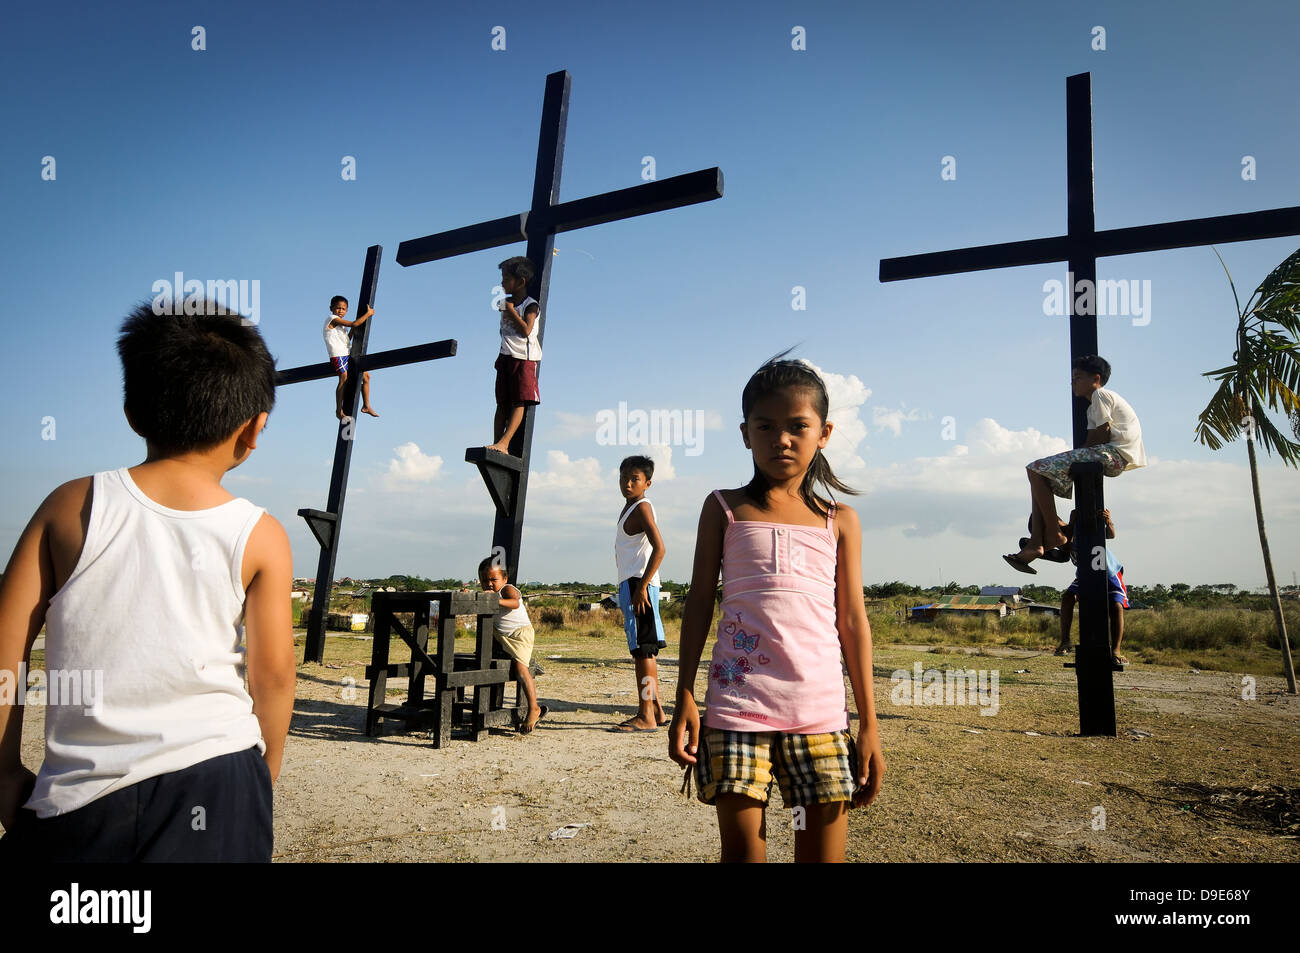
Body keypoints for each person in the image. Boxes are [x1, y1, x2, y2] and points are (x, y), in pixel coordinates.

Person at [0, 302, 296, 862]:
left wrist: (2, 769)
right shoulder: (261, 534)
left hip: (79, 801)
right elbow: (275, 676)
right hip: (221, 778)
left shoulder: (69, 506)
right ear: (254, 429)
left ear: (132, 412)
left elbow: (4, 650)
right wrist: (263, 775)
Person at [669, 355, 885, 863]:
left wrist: (869, 721)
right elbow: (700, 602)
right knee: (743, 854)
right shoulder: (723, 508)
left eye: (797, 426)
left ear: (823, 433)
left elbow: (853, 621)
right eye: (766, 426)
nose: (781, 439)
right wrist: (684, 696)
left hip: (821, 714)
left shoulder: (840, 520)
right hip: (735, 712)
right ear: (746, 433)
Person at [1005, 355, 1145, 574]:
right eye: (1072, 378)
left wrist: (1072, 457)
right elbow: (1094, 439)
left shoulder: (1101, 395)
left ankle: (1054, 534)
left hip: (1112, 454)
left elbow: (1100, 434)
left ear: (1096, 378)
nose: (1073, 383)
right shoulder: (1093, 406)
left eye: (1078, 378)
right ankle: (1036, 544)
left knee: (1035, 469)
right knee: (1041, 479)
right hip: (1107, 454)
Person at [611, 455, 669, 732]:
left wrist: (643, 586)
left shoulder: (642, 507)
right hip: (633, 583)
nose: (628, 483)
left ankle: (645, 714)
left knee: (643, 654)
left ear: (648, 483)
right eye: (624, 477)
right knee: (645, 652)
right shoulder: (630, 506)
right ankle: (656, 710)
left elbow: (660, 548)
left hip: (638, 585)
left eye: (635, 479)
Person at [478, 556, 545, 733]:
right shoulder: (488, 595)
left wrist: (494, 600)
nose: (489, 584)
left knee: (521, 669)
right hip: (503, 637)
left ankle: (534, 708)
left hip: (520, 634)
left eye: (494, 579)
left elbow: (514, 603)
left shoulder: (507, 590)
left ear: (505, 579)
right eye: (485, 580)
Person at [1055, 509, 1129, 666]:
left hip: (1109, 572)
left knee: (1116, 606)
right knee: (1068, 597)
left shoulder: (1080, 528)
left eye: (1060, 524)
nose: (1059, 528)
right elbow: (1066, 549)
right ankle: (1065, 641)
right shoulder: (1060, 540)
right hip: (1085, 574)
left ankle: (1116, 650)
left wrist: (1108, 520)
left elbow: (1110, 534)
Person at [487, 257, 541, 455]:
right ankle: (496, 442)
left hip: (524, 358)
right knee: (501, 401)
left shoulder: (531, 305)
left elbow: (526, 330)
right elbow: (504, 332)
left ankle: (506, 442)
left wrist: (511, 312)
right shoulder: (505, 303)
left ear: (521, 281)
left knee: (519, 401)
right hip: (506, 357)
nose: (502, 282)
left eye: (506, 278)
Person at [323, 295, 378, 420]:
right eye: (338, 308)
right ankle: (338, 410)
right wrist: (368, 314)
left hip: (346, 353)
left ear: (347, 310)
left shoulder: (341, 326)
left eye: (343, 309)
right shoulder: (332, 319)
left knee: (366, 376)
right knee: (343, 378)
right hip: (338, 355)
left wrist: (354, 329)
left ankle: (366, 405)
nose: (341, 311)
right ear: (331, 308)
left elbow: (347, 339)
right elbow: (354, 323)